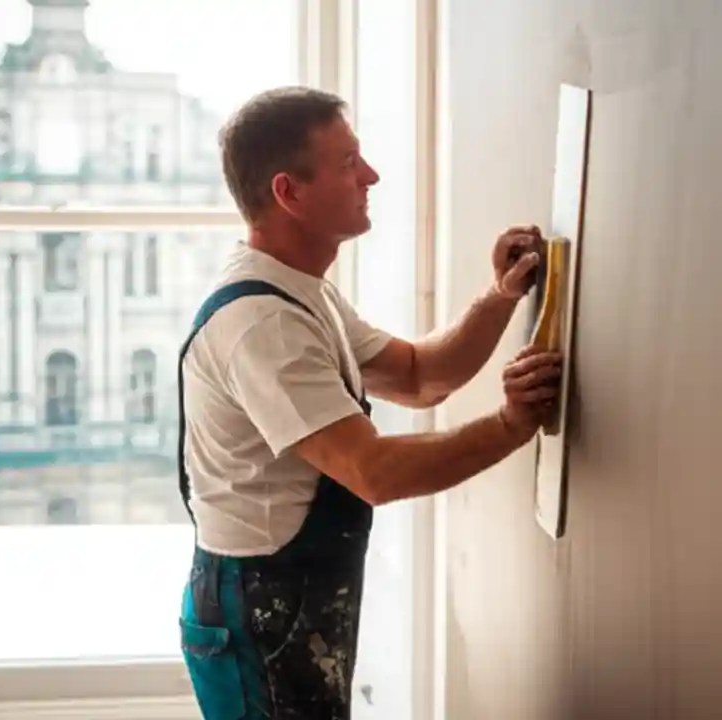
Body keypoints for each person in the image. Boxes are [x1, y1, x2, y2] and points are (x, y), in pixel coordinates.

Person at [177, 86, 562, 720]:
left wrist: (499, 296)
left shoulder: (300, 294)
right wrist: (511, 425)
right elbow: (372, 472)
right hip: (254, 614)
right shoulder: (263, 323)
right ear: (289, 193)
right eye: (349, 162)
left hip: (284, 600)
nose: (372, 175)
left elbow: (419, 376)